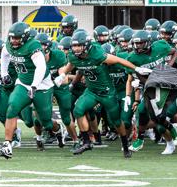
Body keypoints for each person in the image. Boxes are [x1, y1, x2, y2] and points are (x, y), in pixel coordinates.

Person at [60, 29, 140, 157]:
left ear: (86, 45)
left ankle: (125, 145)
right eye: (74, 46)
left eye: (78, 45)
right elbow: (70, 65)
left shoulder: (97, 54)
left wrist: (136, 68)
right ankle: (86, 142)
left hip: (107, 93)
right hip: (91, 91)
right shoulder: (74, 57)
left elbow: (119, 60)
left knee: (116, 121)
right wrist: (62, 75)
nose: (75, 49)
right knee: (77, 110)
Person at [0, 22, 63, 159]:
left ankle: (58, 129)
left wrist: (34, 86)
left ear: (25, 37)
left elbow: (41, 67)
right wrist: (4, 75)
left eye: (17, 38)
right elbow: (4, 55)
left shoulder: (33, 46)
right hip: (23, 82)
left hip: (42, 85)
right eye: (12, 38)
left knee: (46, 122)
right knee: (12, 107)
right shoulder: (9, 45)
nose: (14, 41)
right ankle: (7, 144)